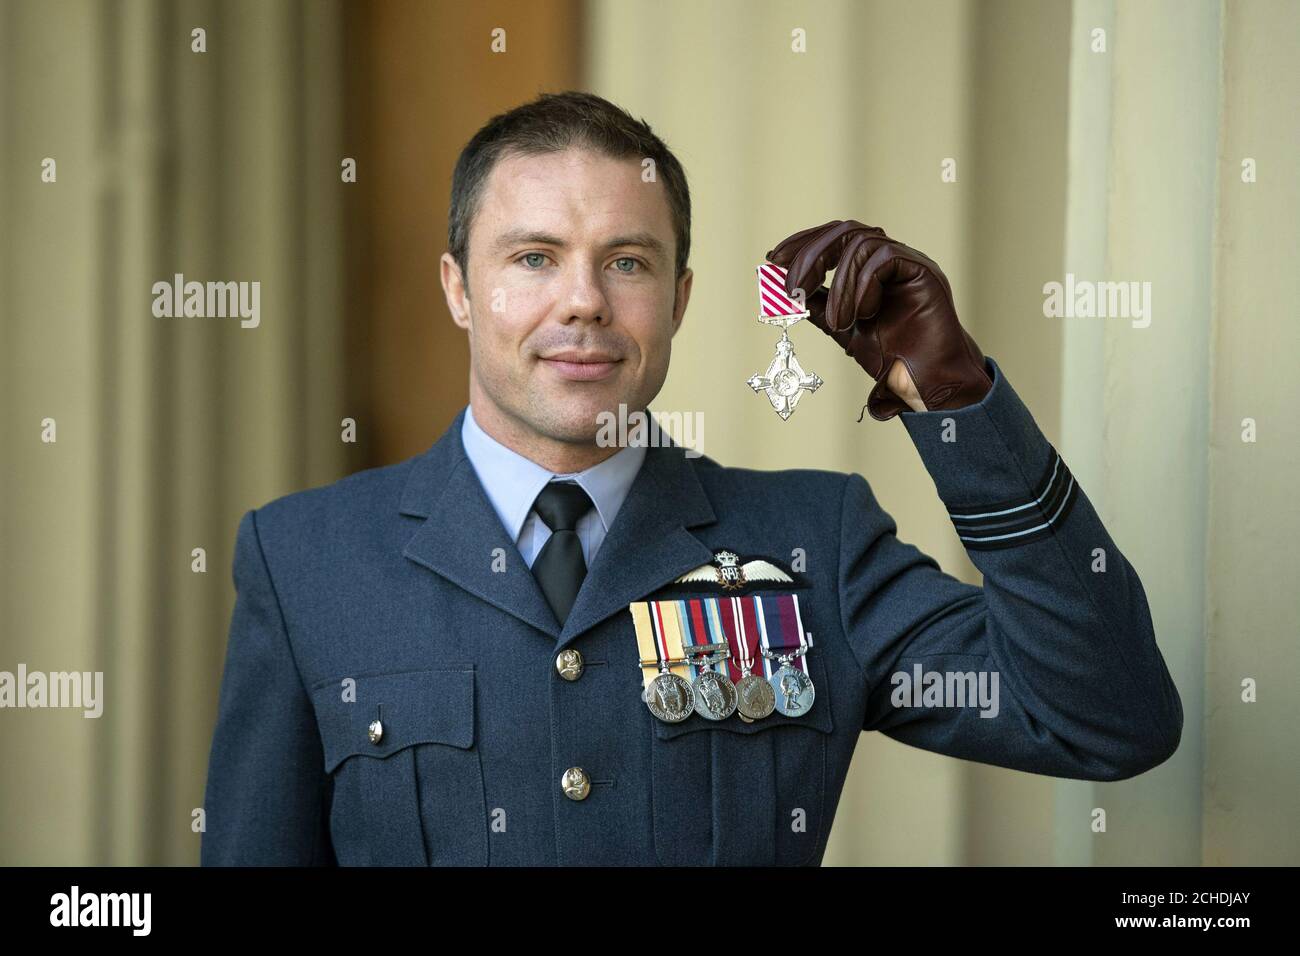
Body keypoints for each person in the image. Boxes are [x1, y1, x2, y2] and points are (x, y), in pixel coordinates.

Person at [200, 90, 1182, 867]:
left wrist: (960, 397)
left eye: (625, 261)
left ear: (678, 297)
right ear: (458, 287)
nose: (582, 301)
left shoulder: (814, 539)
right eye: (533, 257)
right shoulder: (305, 561)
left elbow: (1103, 718)